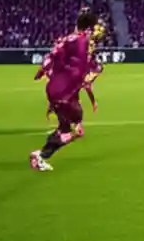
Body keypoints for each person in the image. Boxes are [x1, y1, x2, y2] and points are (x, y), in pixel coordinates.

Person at [30, 9, 100, 172]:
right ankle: (40, 155)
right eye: (95, 28)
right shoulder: (77, 40)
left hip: (65, 92)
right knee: (71, 130)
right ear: (89, 28)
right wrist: (44, 69)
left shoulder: (81, 44)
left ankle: (42, 153)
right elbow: (54, 52)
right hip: (61, 92)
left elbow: (58, 56)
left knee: (75, 125)